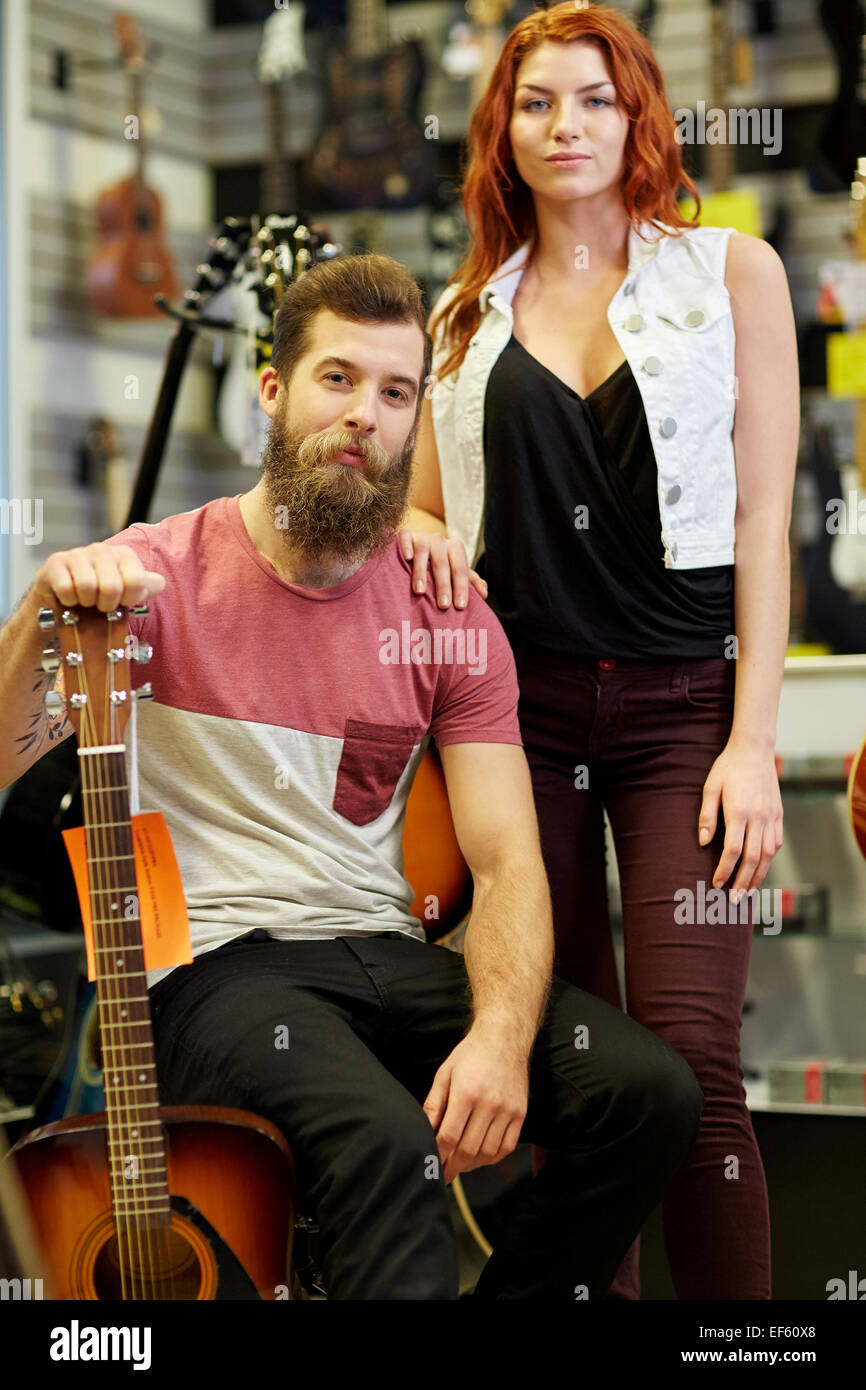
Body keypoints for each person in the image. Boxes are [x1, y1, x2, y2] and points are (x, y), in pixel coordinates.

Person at [0, 253, 703, 1301]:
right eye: (337, 380)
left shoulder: (443, 610)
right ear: (273, 393)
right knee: (388, 1144)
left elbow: (507, 863)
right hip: (211, 969)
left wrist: (501, 1042)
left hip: (383, 950)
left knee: (646, 1093)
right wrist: (37, 613)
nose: (363, 415)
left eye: (393, 391)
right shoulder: (149, 579)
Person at [402, 3, 799, 1300]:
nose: (562, 125)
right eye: (534, 103)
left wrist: (751, 739)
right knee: (580, 1069)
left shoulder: (730, 273)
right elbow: (414, 504)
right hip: (518, 726)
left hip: (685, 713)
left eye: (590, 98)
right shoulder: (463, 316)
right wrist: (428, 540)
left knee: (689, 1057)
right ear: (500, 130)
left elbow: (758, 516)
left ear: (636, 117)